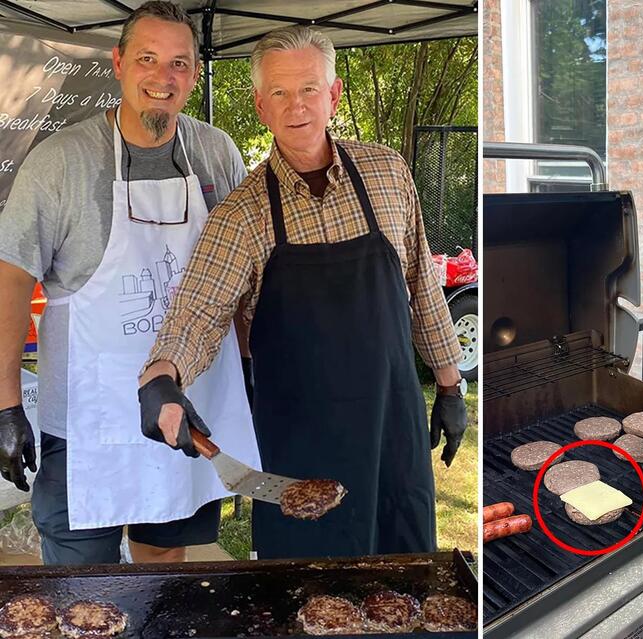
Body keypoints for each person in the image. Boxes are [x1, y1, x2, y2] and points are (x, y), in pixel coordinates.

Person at [138, 25, 468, 560]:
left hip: (392, 426)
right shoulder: (242, 213)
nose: (297, 107)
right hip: (298, 442)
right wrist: (161, 377)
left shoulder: (388, 172)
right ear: (260, 106)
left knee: (405, 579)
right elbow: (198, 310)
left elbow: (421, 284)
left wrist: (451, 389)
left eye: (309, 89)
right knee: (306, 590)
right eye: (280, 93)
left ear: (334, 95)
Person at [0, 1, 260, 565]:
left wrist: (250, 371)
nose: (162, 78)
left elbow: (241, 284)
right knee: (80, 591)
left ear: (194, 72)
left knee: (162, 573)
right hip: (84, 422)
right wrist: (5, 405)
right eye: (147, 58)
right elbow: (11, 281)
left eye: (179, 63)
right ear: (118, 63)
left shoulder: (216, 155)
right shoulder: (61, 162)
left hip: (187, 412)